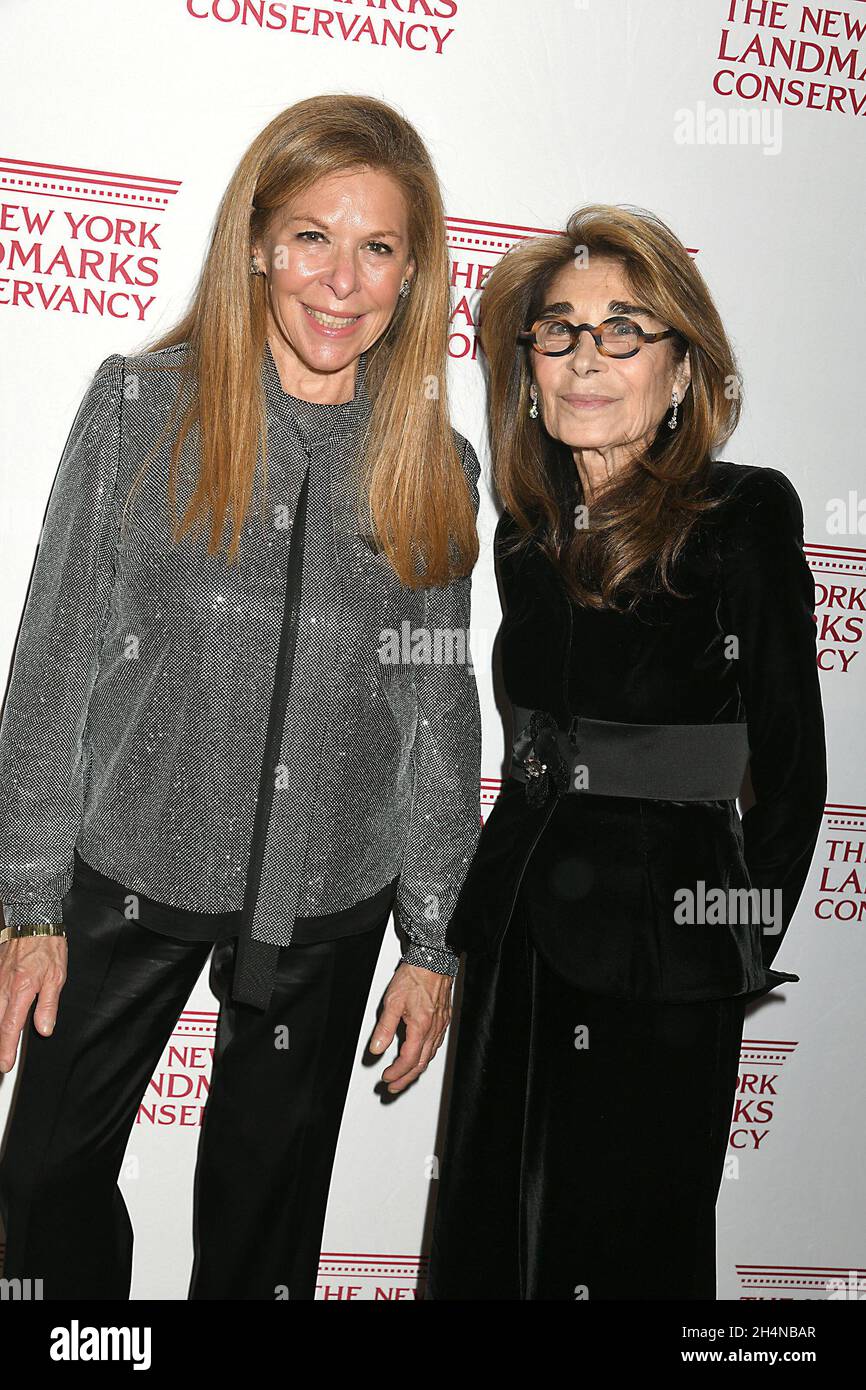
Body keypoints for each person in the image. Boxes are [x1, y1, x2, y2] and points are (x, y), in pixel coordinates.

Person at [0, 93, 482, 1301]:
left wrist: (433, 937)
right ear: (258, 241)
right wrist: (28, 901)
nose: (341, 278)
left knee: (264, 1241)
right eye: (313, 235)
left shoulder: (432, 460)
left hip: (326, 895)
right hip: (127, 870)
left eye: (377, 247)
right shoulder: (138, 406)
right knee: (43, 1182)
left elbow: (438, 708)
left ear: (413, 272)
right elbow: (52, 657)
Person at [426, 204, 826, 1301]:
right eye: (557, 332)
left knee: (621, 1251)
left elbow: (792, 773)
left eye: (622, 331)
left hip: (663, 952)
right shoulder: (520, 523)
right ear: (528, 365)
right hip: (515, 932)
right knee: (485, 1234)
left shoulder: (741, 513)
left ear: (682, 367)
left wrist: (727, 950)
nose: (583, 358)